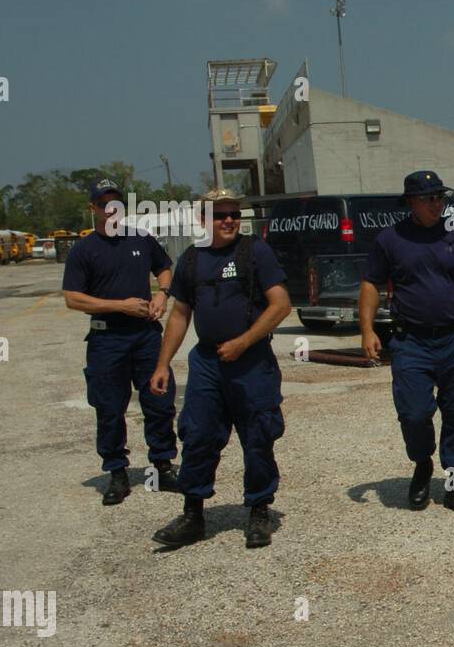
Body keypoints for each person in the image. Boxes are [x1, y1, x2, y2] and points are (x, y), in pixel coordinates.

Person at [359, 170, 454, 514]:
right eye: (429, 198)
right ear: (411, 202)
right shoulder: (391, 240)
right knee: (413, 413)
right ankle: (423, 464)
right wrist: (367, 329)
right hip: (410, 341)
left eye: (440, 197)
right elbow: (371, 284)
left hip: (453, 339)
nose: (437, 203)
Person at [149, 188, 291, 549]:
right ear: (202, 220)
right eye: (219, 214)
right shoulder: (192, 260)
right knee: (197, 435)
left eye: (233, 214)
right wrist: (163, 363)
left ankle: (259, 510)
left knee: (258, 436)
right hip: (208, 363)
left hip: (251, 362)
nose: (228, 220)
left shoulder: (254, 251)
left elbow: (280, 305)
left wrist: (244, 341)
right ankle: (193, 513)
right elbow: (180, 314)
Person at [62, 178, 178, 505]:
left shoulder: (140, 239)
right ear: (93, 209)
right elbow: (73, 298)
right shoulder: (84, 249)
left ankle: (163, 465)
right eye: (104, 204)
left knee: (159, 399)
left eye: (116, 203)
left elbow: (165, 268)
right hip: (107, 339)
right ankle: (117, 472)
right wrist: (120, 306)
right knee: (110, 408)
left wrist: (162, 294)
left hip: (145, 336)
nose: (110, 209)